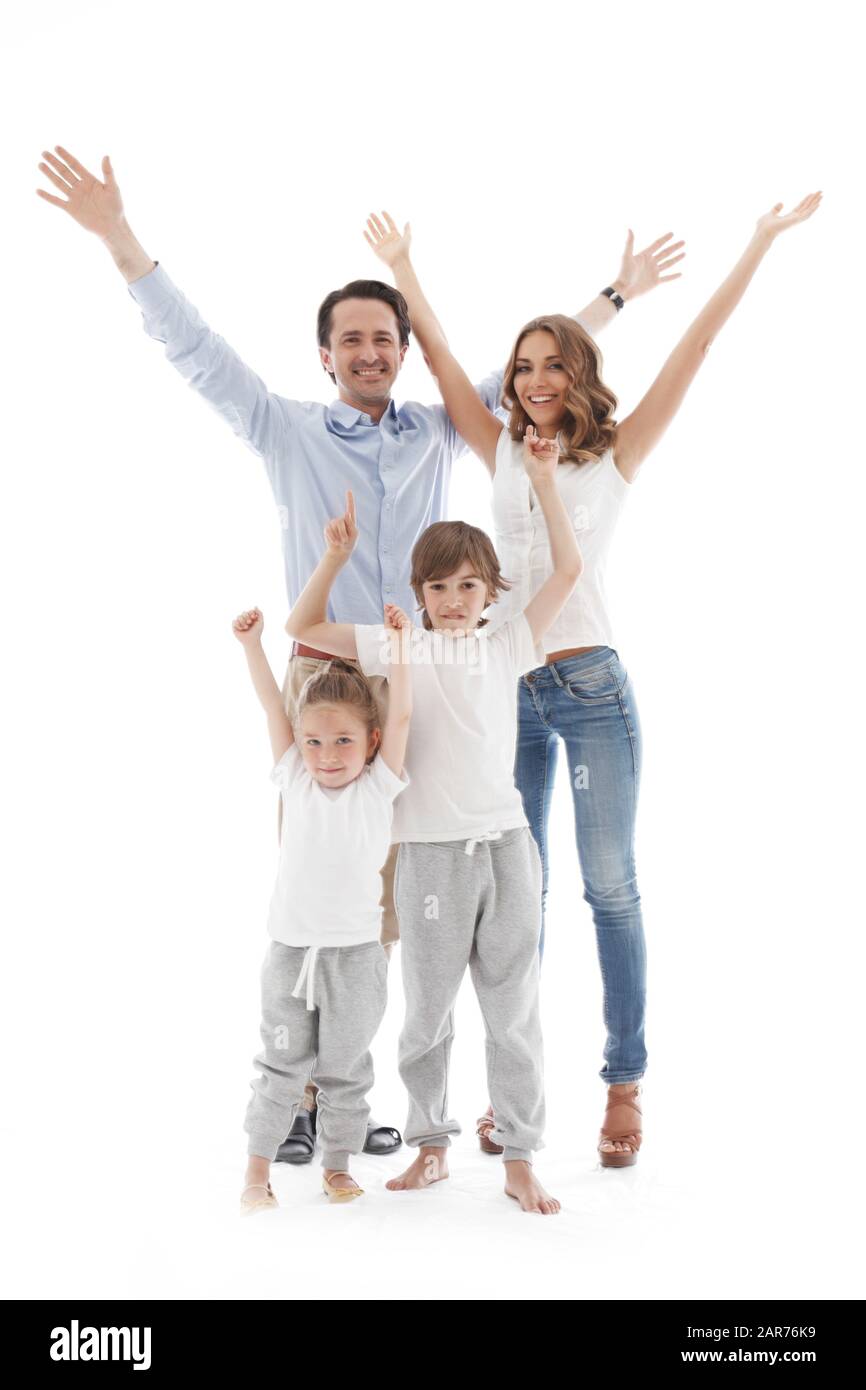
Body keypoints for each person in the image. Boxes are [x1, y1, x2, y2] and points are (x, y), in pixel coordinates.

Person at [35, 142, 681, 1161]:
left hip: (422, 687)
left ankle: (346, 1100)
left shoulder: (429, 430)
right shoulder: (285, 429)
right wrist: (123, 241)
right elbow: (195, 349)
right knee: (315, 889)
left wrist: (613, 297)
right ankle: (291, 1095)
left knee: (392, 911)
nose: (373, 352)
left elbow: (522, 373)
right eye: (353, 341)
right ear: (326, 356)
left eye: (385, 337)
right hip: (329, 680)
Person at [363, 192, 822, 1167]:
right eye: (521, 366)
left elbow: (693, 347)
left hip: (591, 686)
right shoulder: (494, 446)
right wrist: (404, 268)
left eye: (549, 363)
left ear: (577, 373)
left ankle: (621, 1083)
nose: (531, 379)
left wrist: (757, 244)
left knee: (607, 885)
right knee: (509, 895)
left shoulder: (616, 451)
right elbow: (445, 363)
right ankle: (512, 1098)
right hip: (504, 694)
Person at [285, 458, 581, 1213]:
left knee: (513, 1011)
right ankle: (431, 1147)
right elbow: (305, 628)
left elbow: (570, 566)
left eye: (468, 586)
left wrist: (545, 486)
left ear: (490, 591)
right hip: (427, 858)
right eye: (439, 586)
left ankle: (519, 1155)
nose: (453, 600)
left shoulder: (507, 644)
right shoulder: (396, 647)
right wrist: (335, 559)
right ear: (419, 593)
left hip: (507, 850)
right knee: (427, 1011)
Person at [233, 599, 411, 1213]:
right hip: (291, 953)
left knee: (345, 1069)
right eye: (313, 741)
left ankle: (336, 1165)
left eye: (342, 741)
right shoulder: (296, 777)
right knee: (280, 1064)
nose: (327, 754)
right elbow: (270, 707)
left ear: (372, 742)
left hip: (358, 957)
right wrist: (253, 649)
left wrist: (401, 651)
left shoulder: (379, 785)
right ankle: (257, 1173)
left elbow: (405, 710)